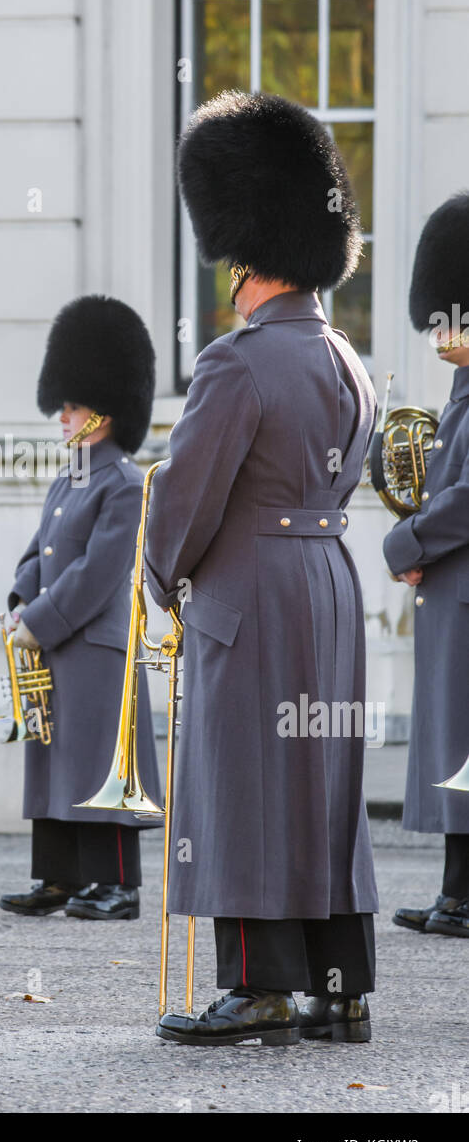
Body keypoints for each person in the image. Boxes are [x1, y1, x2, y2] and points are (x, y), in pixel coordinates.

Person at [145, 90, 378, 1046]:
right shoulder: (349, 359)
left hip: (248, 593)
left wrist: (164, 577)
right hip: (329, 581)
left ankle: (261, 987)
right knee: (323, 784)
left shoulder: (237, 363)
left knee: (244, 782)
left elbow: (186, 500)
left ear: (249, 261)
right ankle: (340, 984)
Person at [0, 295, 160, 922]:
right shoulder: (68, 479)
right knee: (52, 757)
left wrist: (39, 621)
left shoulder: (124, 482)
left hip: (96, 645)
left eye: (71, 405)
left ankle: (117, 884)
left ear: (105, 408)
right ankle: (60, 877)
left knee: (101, 763)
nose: (61, 416)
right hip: (56, 640)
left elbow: (98, 573)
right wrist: (20, 602)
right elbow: (39, 553)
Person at [384, 193, 469, 938]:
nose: (441, 334)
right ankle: (457, 892)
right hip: (451, 596)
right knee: (452, 748)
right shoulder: (461, 393)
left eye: (452, 320)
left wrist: (405, 544)